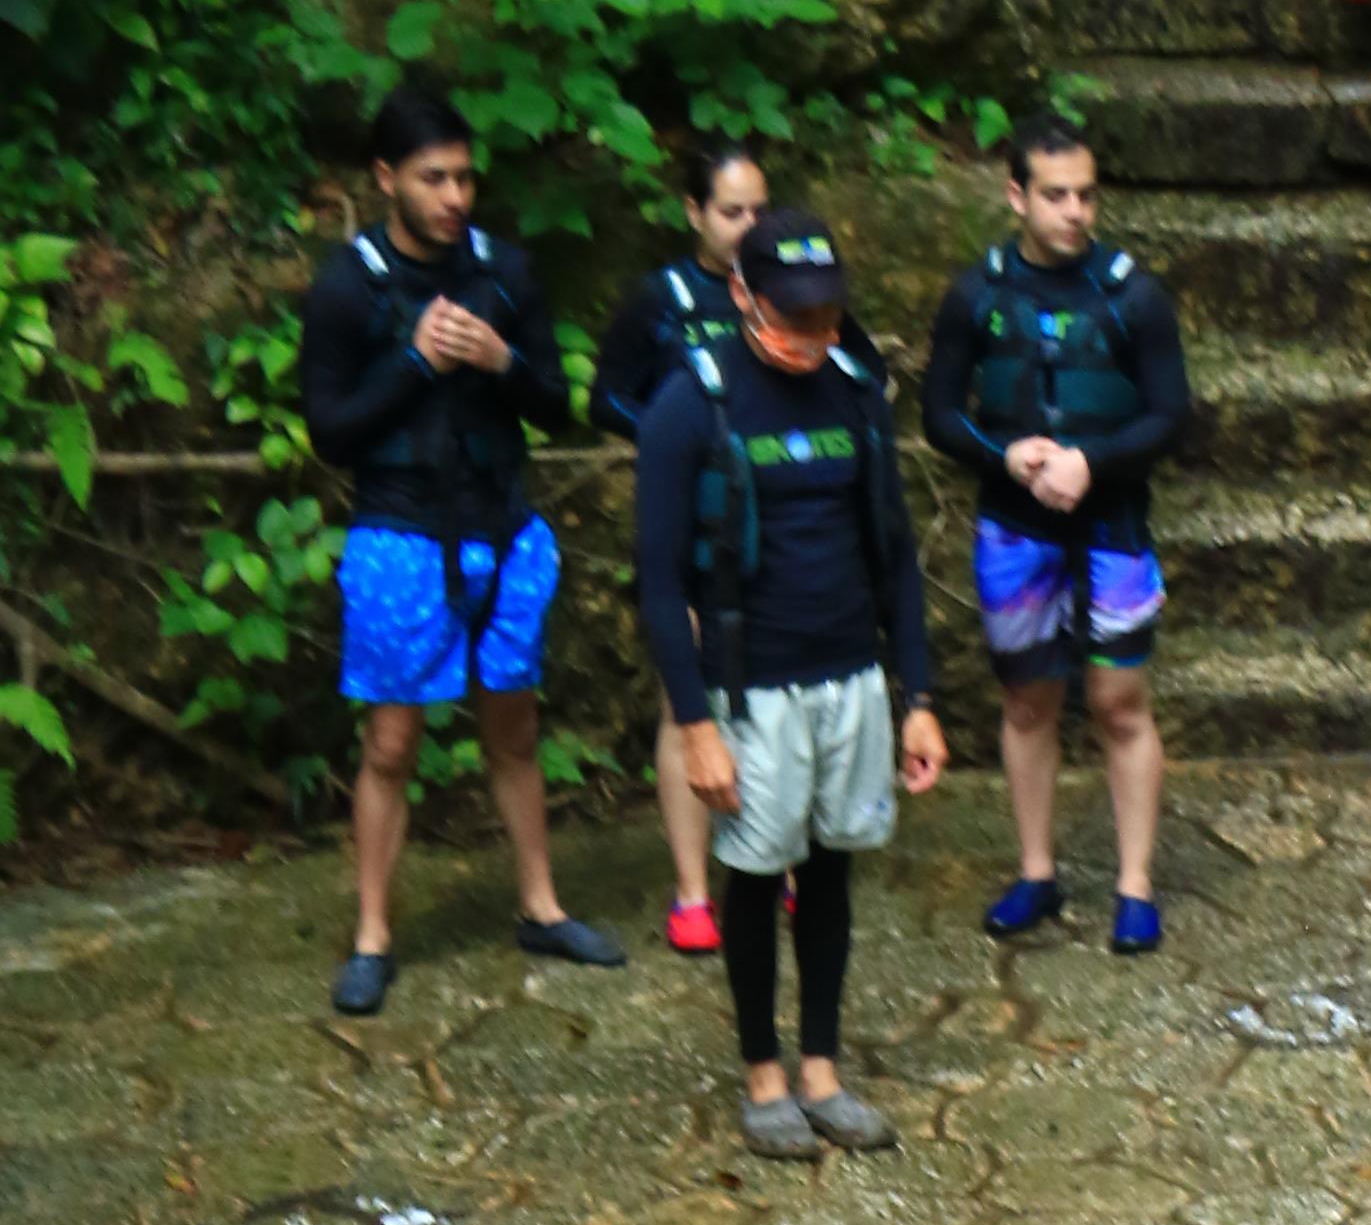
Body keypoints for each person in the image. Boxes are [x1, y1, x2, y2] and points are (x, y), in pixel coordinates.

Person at [298, 81, 626, 1027]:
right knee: (393, 739)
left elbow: (557, 406)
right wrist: (414, 362)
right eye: (433, 178)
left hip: (505, 527)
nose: (454, 197)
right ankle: (372, 934)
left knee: (514, 725)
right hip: (399, 535)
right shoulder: (346, 285)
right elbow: (330, 432)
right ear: (385, 179)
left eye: (465, 177)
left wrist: (497, 361)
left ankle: (541, 905)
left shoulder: (505, 273)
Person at [629, 209, 946, 1157]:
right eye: (788, 317)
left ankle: (823, 1070)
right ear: (740, 296)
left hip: (849, 674)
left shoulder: (856, 393)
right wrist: (695, 724)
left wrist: (918, 698)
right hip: (750, 688)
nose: (809, 337)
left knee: (834, 869)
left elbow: (895, 555)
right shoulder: (692, 405)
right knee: (756, 880)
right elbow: (657, 582)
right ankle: (763, 1077)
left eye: (825, 317)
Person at [919, 118, 1193, 955]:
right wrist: (1006, 454)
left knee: (1118, 703)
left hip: (1112, 526)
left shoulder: (1133, 295)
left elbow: (1171, 415)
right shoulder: (978, 294)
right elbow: (938, 415)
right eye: (1056, 195)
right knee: (1028, 698)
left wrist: (1093, 460)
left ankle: (1135, 885)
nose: (1076, 211)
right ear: (1016, 196)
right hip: (1014, 529)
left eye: (1087, 194)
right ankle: (1036, 871)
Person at [590, 140, 774, 962]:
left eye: (759, 211)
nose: (748, 227)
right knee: (686, 699)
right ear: (694, 213)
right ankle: (694, 891)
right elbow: (605, 399)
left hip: (777, 532)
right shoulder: (659, 299)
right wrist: (680, 442)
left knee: (776, 691)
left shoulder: (788, 286)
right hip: (692, 531)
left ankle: (775, 863)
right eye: (732, 212)